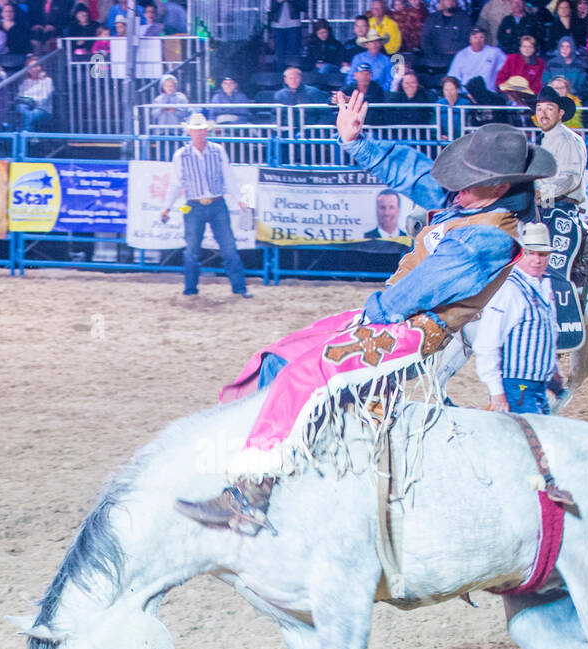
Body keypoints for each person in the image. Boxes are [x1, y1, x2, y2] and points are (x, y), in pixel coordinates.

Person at [173, 97, 554, 534]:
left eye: (468, 181)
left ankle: (251, 497)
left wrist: (370, 316)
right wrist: (356, 141)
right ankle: (251, 453)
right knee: (281, 354)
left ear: (501, 187)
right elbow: (415, 173)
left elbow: (421, 289)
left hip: (412, 330)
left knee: (309, 373)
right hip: (392, 314)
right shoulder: (471, 206)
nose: (457, 188)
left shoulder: (487, 238)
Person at [158, 112, 252, 299]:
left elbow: (228, 176)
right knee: (193, 250)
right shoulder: (181, 155)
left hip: (217, 203)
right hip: (194, 205)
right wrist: (166, 206)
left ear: (206, 131)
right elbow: (175, 183)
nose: (199, 134)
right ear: (190, 132)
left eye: (202, 130)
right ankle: (190, 289)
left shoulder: (218, 151)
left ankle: (239, 288)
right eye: (196, 130)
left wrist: (241, 199)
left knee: (228, 247)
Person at [474, 221, 561, 414]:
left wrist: (552, 369)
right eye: (530, 253)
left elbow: (548, 334)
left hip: (536, 386)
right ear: (520, 253)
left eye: (542, 254)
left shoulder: (543, 286)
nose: (537, 260)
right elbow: (487, 343)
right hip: (517, 387)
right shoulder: (509, 290)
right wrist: (496, 393)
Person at [533, 84, 584, 209]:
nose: (543, 114)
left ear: (560, 113)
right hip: (544, 204)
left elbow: (569, 178)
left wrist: (541, 193)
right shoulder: (543, 138)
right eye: (539, 109)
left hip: (560, 206)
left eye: (549, 109)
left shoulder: (568, 139)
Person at [447, 26, 506, 92]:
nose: (478, 41)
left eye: (481, 37)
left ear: (485, 39)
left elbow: (507, 69)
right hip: (466, 94)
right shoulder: (461, 55)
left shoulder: (495, 52)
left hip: (488, 93)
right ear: (470, 39)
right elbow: (453, 77)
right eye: (475, 37)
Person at [420, 0, 471, 73]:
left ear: (456, 2)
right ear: (441, 3)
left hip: (456, 59)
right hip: (434, 60)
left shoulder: (465, 19)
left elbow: (467, 40)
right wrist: (432, 55)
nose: (450, 2)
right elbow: (425, 39)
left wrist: (454, 53)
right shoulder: (432, 19)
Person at [17, 57, 54, 130]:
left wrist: (30, 100)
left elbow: (44, 98)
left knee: (30, 115)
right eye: (31, 67)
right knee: (22, 108)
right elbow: (20, 96)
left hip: (42, 109)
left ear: (40, 67)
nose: (34, 69)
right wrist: (29, 100)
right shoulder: (25, 81)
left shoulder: (47, 81)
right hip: (26, 107)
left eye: (36, 66)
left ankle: (28, 136)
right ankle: (31, 138)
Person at [268, 0, 307, 66]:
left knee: (294, 52)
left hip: (294, 25)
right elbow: (270, 9)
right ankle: (279, 74)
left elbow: (304, 7)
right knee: (279, 53)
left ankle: (293, 74)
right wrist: (278, 1)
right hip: (277, 26)